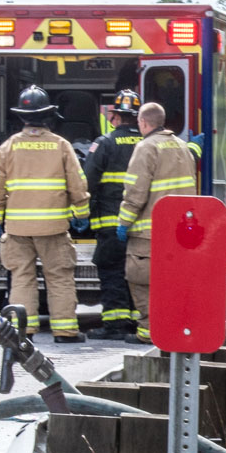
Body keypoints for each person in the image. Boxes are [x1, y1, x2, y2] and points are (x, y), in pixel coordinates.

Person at [0, 85, 90, 343]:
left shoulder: (8, 147)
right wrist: (81, 213)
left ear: (21, 116)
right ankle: (65, 332)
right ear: (48, 116)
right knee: (59, 277)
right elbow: (78, 184)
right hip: (54, 228)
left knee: (21, 277)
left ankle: (24, 331)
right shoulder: (61, 146)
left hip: (18, 229)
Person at [116, 101, 197, 345]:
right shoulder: (182, 146)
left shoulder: (146, 147)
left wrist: (124, 223)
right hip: (180, 233)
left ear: (143, 122)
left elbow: (135, 191)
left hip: (148, 233)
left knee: (140, 279)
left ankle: (148, 331)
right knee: (172, 282)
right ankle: (173, 327)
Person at [83, 89, 143, 340]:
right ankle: (136, 322)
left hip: (110, 222)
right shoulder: (146, 144)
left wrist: (80, 213)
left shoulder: (104, 143)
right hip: (141, 224)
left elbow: (87, 181)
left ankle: (114, 325)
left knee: (112, 272)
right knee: (136, 274)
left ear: (115, 116)